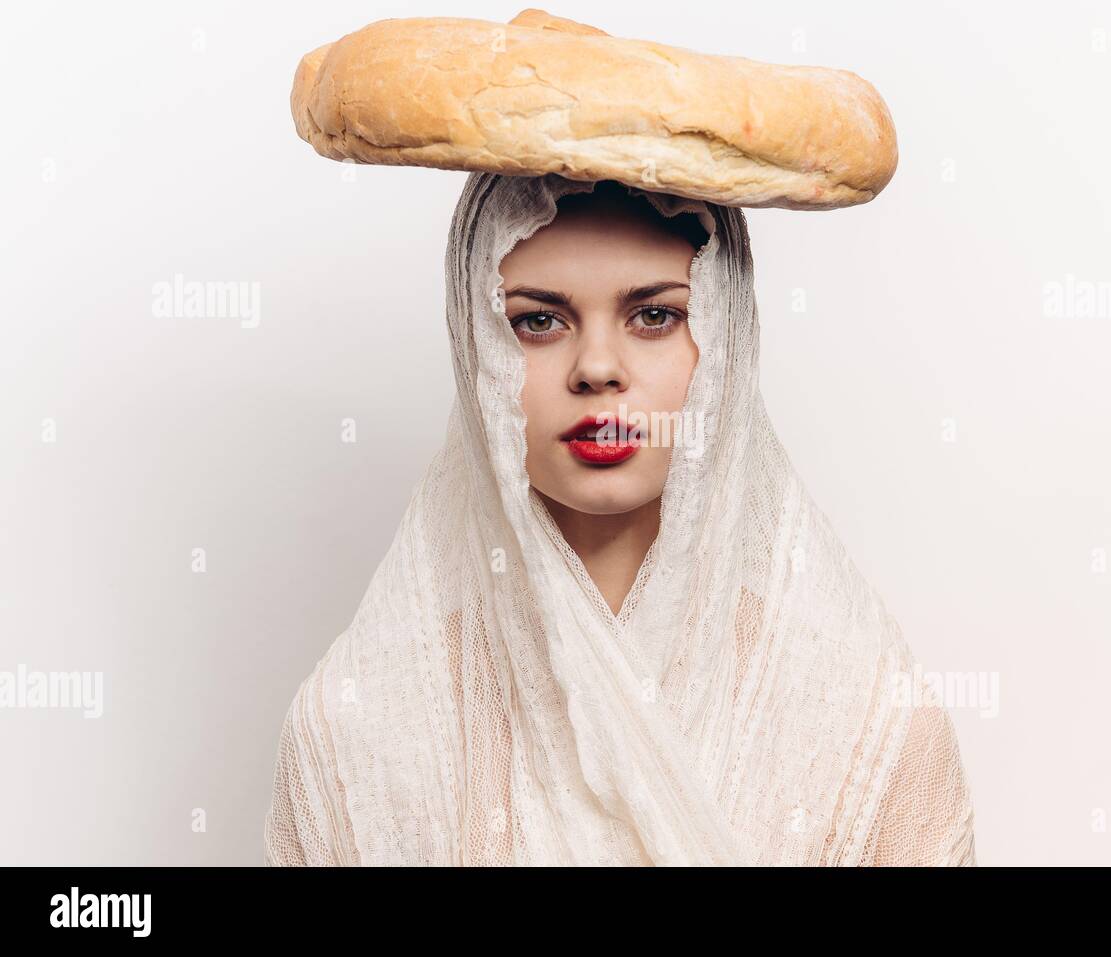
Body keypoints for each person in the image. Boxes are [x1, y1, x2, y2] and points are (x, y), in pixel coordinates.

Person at [263, 171, 977, 866]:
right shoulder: (356, 731)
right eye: (538, 321)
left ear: (727, 336)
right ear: (474, 344)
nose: (598, 367)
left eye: (655, 315)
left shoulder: (868, 728)